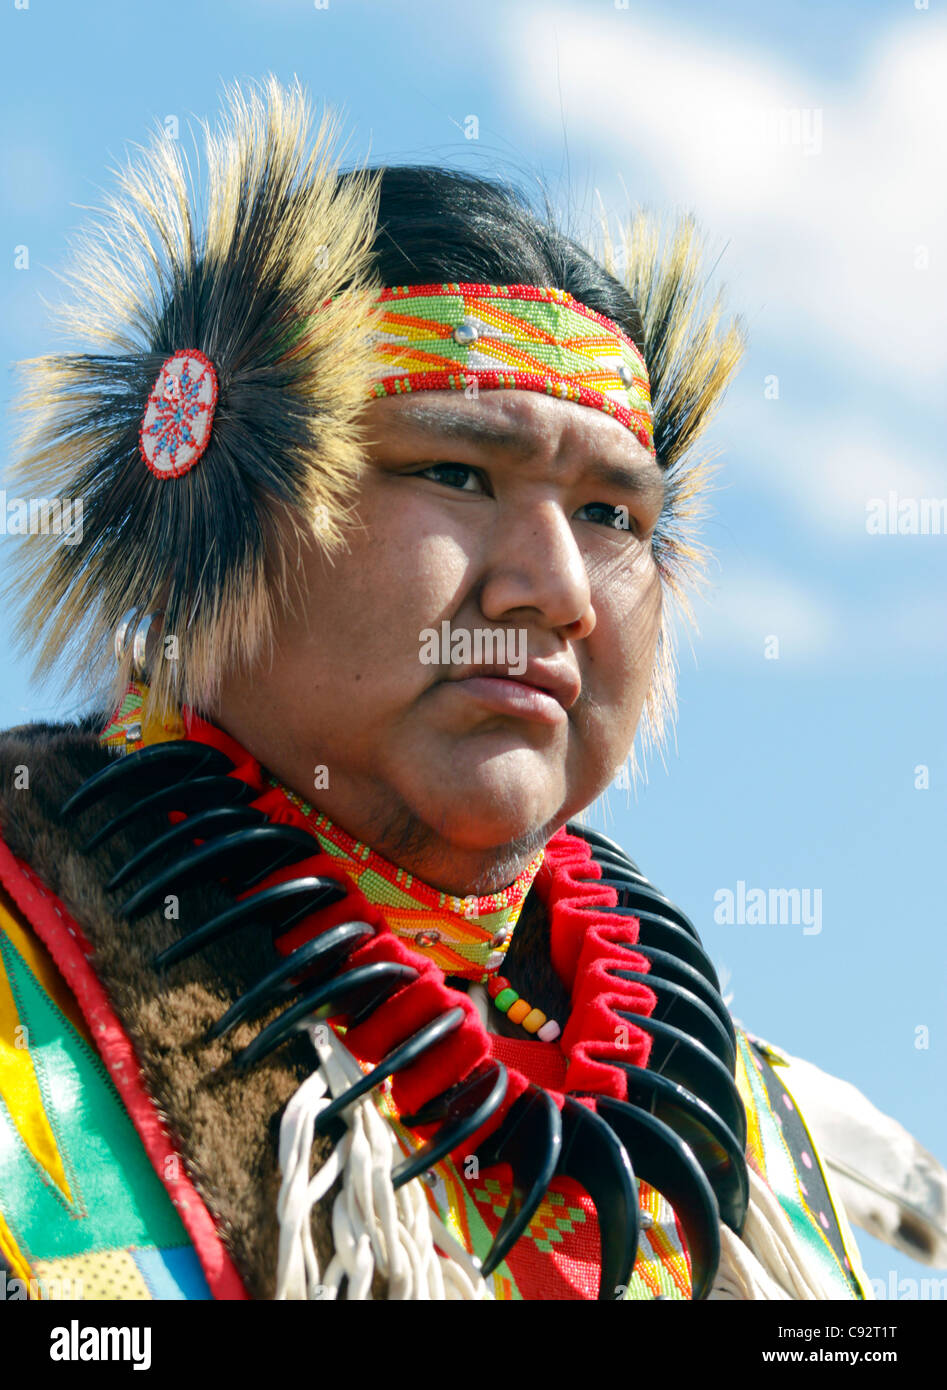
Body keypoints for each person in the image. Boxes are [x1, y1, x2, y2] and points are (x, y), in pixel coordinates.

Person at [0, 78, 942, 1302]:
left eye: (611, 514)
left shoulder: (737, 1134)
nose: (555, 589)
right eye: (454, 469)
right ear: (217, 523)